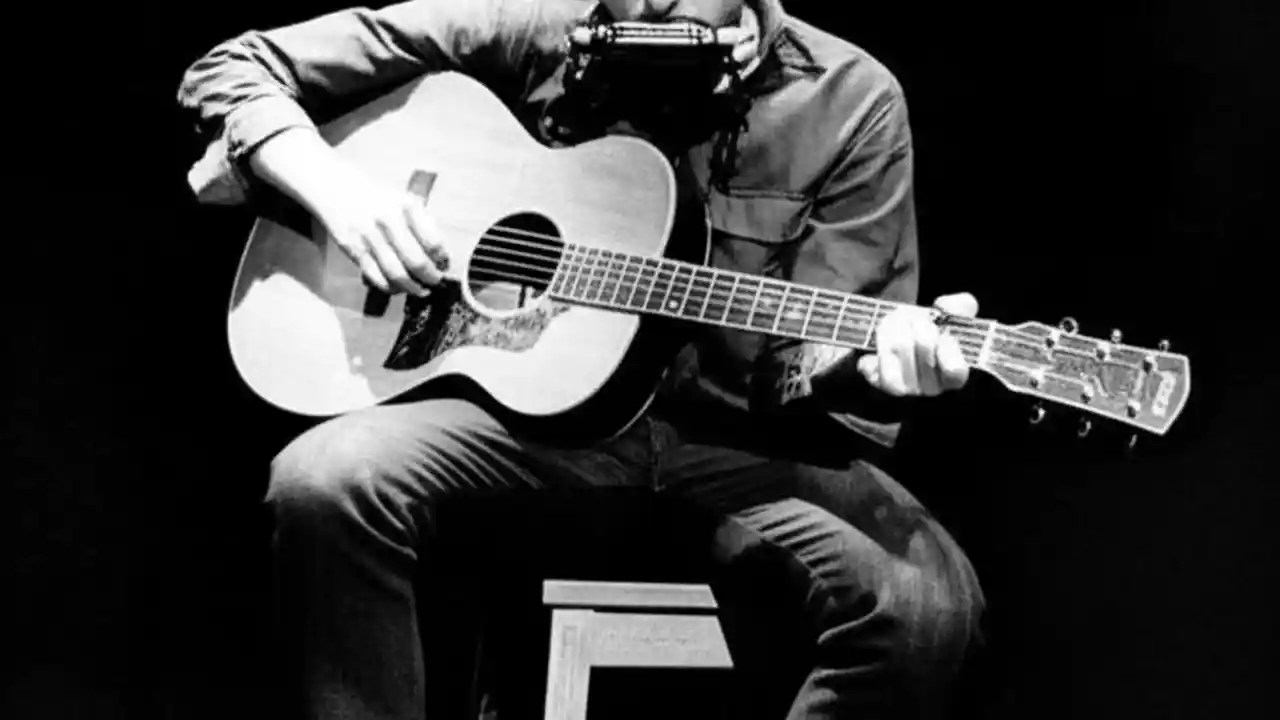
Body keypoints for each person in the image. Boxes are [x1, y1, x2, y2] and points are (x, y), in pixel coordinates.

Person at [177, 1, 986, 718]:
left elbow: (801, 366)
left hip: (743, 442)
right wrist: (340, 194)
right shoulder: (539, 27)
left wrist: (866, 368)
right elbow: (234, 70)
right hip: (535, 427)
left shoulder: (851, 99)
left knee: (925, 602)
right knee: (325, 479)